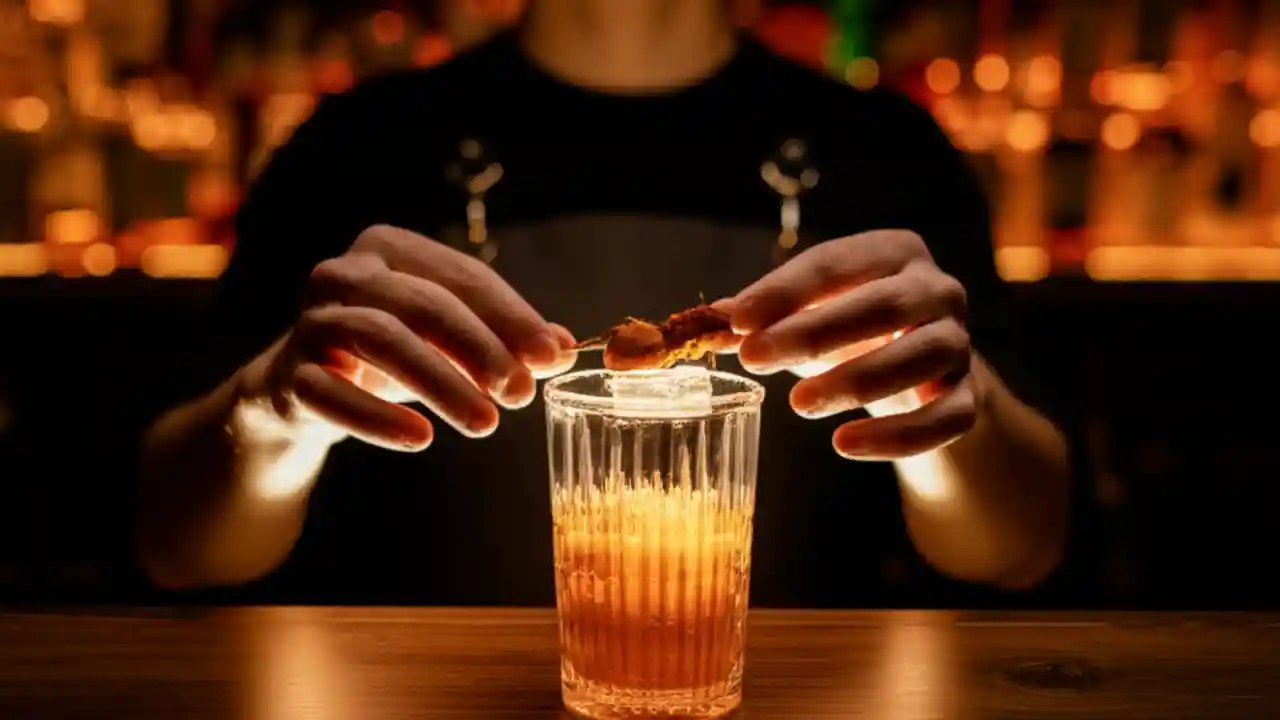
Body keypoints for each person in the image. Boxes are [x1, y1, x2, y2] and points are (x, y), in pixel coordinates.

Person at [135, 0, 1085, 606]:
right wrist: (269, 413)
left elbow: (1022, 552)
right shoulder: (355, 146)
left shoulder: (888, 150)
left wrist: (954, 417)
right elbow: (174, 550)